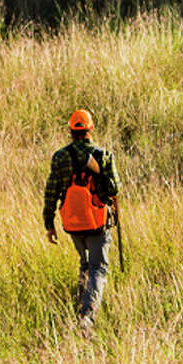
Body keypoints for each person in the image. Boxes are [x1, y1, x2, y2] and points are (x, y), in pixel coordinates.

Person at [43, 108, 119, 336]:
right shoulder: (104, 155)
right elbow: (115, 189)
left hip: (72, 223)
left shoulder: (60, 157)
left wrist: (49, 223)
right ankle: (86, 319)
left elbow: (51, 192)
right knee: (98, 268)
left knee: (85, 263)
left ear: (70, 131)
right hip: (97, 222)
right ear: (90, 129)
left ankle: (81, 305)